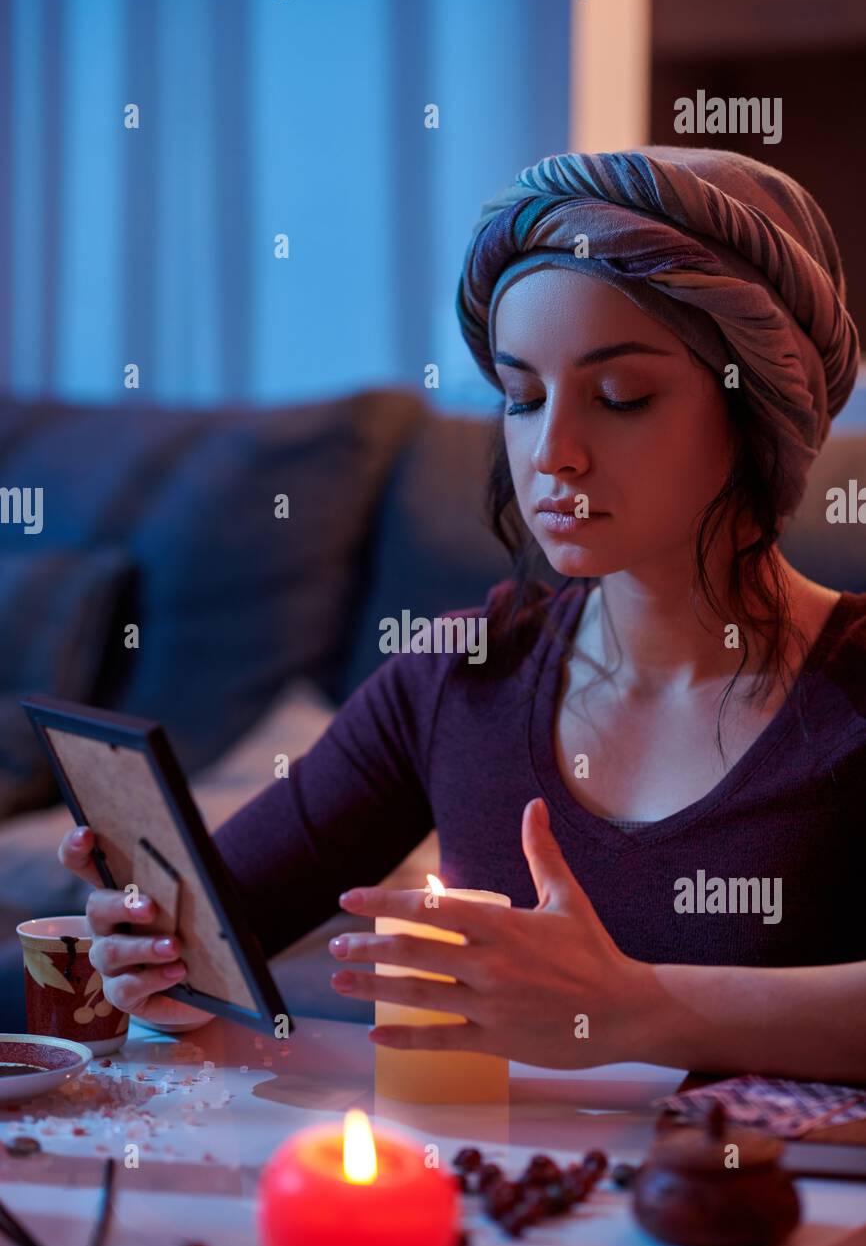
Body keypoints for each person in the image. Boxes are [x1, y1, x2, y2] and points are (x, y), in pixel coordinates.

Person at [58, 147, 866, 1078]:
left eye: (620, 397)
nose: (552, 451)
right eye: (521, 397)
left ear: (757, 410)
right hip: (502, 1208)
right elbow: (216, 928)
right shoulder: (460, 675)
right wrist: (147, 946)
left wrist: (641, 1009)